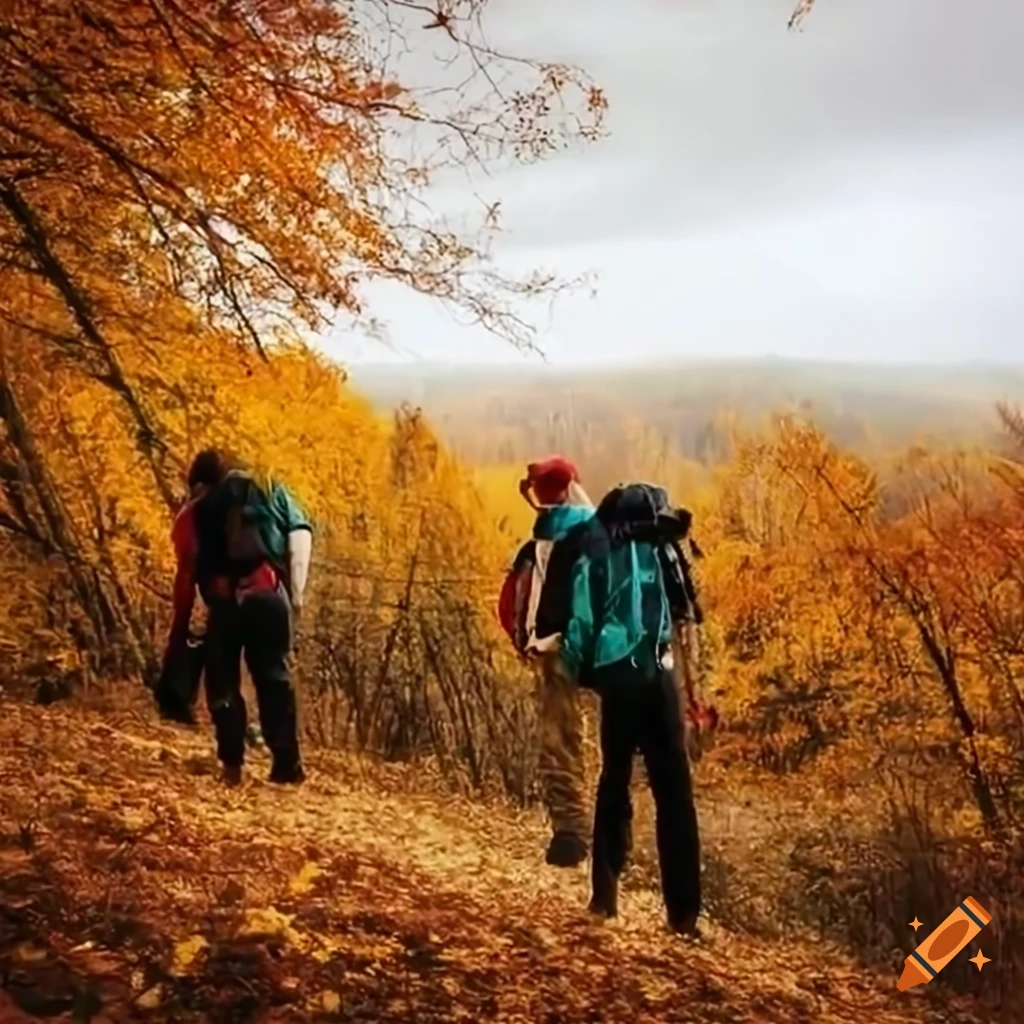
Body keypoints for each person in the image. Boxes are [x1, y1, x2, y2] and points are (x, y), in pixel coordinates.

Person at [539, 482, 709, 936]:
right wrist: (694, 691)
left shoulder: (599, 543)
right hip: (658, 676)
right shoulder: (661, 543)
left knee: (614, 780)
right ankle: (684, 915)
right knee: (674, 793)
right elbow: (686, 615)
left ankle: (604, 898)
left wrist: (580, 671)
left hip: (616, 677)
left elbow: (580, 620)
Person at [164, 449, 313, 786]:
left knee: (222, 681)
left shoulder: (196, 511)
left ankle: (232, 764)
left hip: (225, 605)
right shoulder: (270, 489)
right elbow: (300, 537)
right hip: (268, 595)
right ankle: (286, 767)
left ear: (200, 482)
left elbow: (187, 572)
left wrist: (181, 628)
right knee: (275, 678)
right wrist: (297, 596)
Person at [516, 456, 599, 868]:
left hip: (555, 646)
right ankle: (609, 835)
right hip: (606, 648)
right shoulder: (594, 528)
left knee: (559, 740)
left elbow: (526, 596)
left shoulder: (545, 534)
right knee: (603, 743)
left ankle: (570, 834)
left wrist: (527, 639)